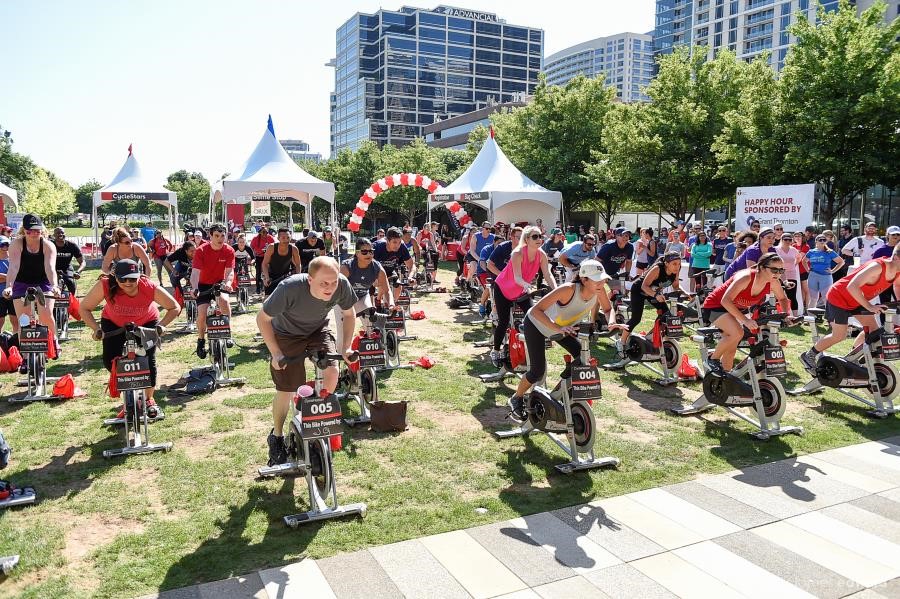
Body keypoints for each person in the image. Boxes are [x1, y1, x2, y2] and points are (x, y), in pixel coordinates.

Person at [258, 257, 357, 466]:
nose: (330, 288)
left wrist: (346, 346)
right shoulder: (289, 288)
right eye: (324, 283)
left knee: (332, 372)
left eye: (334, 282)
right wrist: (276, 353)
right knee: (287, 389)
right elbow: (262, 318)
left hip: (317, 331)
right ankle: (276, 436)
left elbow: (349, 314)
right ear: (310, 280)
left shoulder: (342, 285)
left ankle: (315, 422)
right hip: (285, 334)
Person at [506, 259, 622, 420]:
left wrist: (611, 323)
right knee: (537, 372)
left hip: (563, 327)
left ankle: (556, 394)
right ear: (584, 279)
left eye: (602, 278)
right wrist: (558, 328)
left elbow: (608, 309)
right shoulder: (568, 289)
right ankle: (516, 398)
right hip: (536, 325)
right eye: (597, 279)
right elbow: (536, 311)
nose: (601, 282)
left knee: (582, 358)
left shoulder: (599, 290)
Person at [79, 259, 180, 409]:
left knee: (148, 360)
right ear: (116, 277)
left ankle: (149, 399)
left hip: (146, 322)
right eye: (122, 279)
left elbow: (174, 307)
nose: (128, 282)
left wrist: (161, 326)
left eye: (132, 278)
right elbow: (84, 308)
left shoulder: (149, 287)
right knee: (110, 361)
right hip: (114, 323)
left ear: (139, 276)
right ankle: (128, 389)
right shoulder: (106, 285)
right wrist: (96, 329)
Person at [801, 244, 900, 372]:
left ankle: (853, 357)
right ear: (897, 257)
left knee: (874, 331)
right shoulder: (877, 267)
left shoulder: (897, 271)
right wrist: (869, 306)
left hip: (857, 299)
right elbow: (852, 286)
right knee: (839, 335)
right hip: (839, 297)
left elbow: (897, 286)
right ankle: (809, 355)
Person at [702, 253, 792, 371]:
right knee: (737, 333)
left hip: (734, 309)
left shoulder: (774, 282)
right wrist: (745, 320)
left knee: (731, 348)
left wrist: (787, 315)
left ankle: (723, 379)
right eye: (774, 270)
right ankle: (712, 360)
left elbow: (783, 299)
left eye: (781, 270)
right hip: (715, 306)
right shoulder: (746, 277)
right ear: (762, 267)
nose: (778, 274)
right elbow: (726, 300)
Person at [489, 226, 556, 366]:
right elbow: (517, 277)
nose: (539, 239)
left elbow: (548, 274)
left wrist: (556, 290)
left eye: (540, 236)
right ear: (526, 239)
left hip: (522, 290)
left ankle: (537, 343)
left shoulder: (541, 254)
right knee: (503, 321)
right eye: (535, 237)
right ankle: (495, 350)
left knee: (534, 314)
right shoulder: (517, 253)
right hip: (503, 289)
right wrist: (527, 285)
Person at [2, 214, 60, 350]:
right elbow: (13, 267)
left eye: (37, 230)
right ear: (24, 231)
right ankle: (26, 353)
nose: (34, 233)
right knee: (24, 319)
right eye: (29, 231)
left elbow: (50, 268)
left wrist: (54, 286)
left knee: (46, 315)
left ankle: (54, 342)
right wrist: (9, 287)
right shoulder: (17, 244)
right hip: (21, 282)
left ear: (42, 230)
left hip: (42, 282)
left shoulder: (48, 245)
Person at [617, 251, 684, 358]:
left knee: (666, 315)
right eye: (674, 264)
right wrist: (655, 295)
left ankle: (652, 338)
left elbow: (676, 286)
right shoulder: (657, 269)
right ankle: (621, 342)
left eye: (679, 264)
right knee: (636, 319)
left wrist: (686, 293)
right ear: (667, 263)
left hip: (653, 292)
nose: (677, 266)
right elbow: (644, 286)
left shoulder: (676, 270)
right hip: (639, 290)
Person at [190, 223, 235, 358]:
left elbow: (230, 271)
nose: (220, 239)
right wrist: (194, 288)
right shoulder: (201, 250)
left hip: (219, 283)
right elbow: (195, 273)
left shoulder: (228, 250)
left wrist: (228, 283)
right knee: (202, 313)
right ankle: (201, 340)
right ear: (210, 236)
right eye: (216, 236)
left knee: (224, 301)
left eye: (222, 235)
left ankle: (228, 332)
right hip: (203, 285)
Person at [806, 234, 844, 310]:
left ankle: (829, 318)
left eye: (824, 240)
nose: (822, 241)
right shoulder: (811, 251)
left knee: (826, 298)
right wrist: (807, 269)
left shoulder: (829, 252)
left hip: (826, 276)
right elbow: (804, 261)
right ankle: (811, 318)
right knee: (813, 298)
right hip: (813, 276)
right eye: (820, 240)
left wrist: (833, 271)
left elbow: (841, 262)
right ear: (816, 241)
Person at [262, 228, 301, 296]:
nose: (286, 240)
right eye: (283, 238)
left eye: (288, 237)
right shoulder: (271, 247)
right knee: (268, 301)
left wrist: (298, 277)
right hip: (271, 277)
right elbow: (265, 264)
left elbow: (298, 264)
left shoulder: (294, 249)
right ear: (278, 238)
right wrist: (266, 277)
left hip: (285, 277)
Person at [373, 227, 414, 292]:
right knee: (381, 285)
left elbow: (411, 264)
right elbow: (367, 264)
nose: (397, 245)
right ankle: (378, 299)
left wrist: (410, 276)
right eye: (394, 242)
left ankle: (392, 302)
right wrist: (374, 278)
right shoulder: (377, 247)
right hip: (376, 271)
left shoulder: (402, 246)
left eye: (399, 242)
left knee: (398, 287)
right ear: (387, 241)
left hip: (390, 270)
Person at [596, 228, 634, 293]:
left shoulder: (630, 247)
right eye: (622, 235)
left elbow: (629, 261)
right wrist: (601, 275)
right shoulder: (608, 246)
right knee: (599, 295)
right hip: (600, 274)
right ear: (616, 236)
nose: (625, 237)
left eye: (627, 236)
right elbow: (597, 261)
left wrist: (627, 273)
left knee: (620, 294)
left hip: (614, 274)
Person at [775, 233, 802, 317]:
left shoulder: (794, 250)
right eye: (785, 239)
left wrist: (794, 264)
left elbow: (799, 257)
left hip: (791, 275)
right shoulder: (776, 249)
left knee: (792, 296)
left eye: (789, 239)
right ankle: (779, 316)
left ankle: (795, 317)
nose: (787, 241)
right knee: (778, 297)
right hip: (779, 275)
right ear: (781, 240)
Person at [52, 227, 85, 294]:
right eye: (58, 233)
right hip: (52, 268)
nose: (60, 234)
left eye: (62, 233)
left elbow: (82, 262)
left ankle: (71, 300)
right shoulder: (50, 245)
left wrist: (78, 272)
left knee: (70, 282)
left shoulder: (72, 245)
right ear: (54, 235)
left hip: (66, 268)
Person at [249, 226, 274, 295]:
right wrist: (253, 256)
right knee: (258, 272)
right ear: (260, 232)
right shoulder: (256, 239)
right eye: (263, 232)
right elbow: (251, 248)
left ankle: (268, 286)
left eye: (266, 232)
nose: (265, 234)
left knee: (269, 272)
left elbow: (275, 245)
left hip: (268, 257)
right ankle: (258, 288)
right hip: (259, 257)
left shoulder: (270, 238)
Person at [0, 236, 17, 334]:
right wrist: (10, 277)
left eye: (7, 244)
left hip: (14, 295)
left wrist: (3, 277)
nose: (5, 247)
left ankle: (15, 343)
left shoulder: (14, 259)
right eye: (2, 245)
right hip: (0, 295)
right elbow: (13, 277)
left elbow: (18, 277)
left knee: (15, 321)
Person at [792, 231, 811, 314]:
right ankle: (802, 308)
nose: (797, 237)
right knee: (800, 291)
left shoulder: (806, 246)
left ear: (803, 237)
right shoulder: (793, 246)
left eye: (799, 236)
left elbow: (800, 256)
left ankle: (808, 309)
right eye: (795, 236)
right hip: (796, 272)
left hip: (804, 271)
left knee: (807, 290)